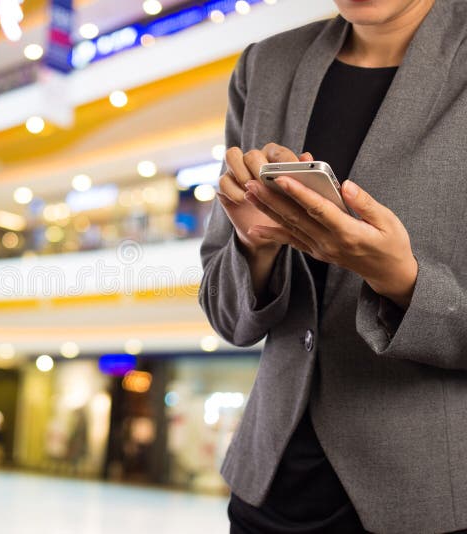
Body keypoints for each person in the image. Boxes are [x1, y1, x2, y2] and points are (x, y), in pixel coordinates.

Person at [198, 1, 467, 532]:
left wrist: (401, 281)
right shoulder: (266, 64)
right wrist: (256, 247)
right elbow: (227, 315)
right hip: (270, 486)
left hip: (428, 497)